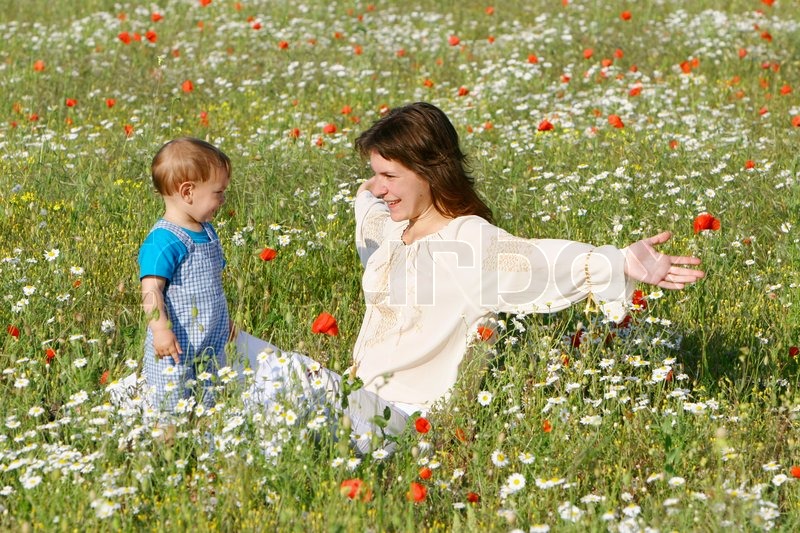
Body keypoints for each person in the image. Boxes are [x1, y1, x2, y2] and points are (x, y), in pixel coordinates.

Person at [238, 101, 704, 452]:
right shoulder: (393, 229)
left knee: (272, 367)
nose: (379, 188)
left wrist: (620, 261)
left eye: (390, 176)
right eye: (375, 174)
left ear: (429, 171)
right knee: (235, 350)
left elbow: (540, 261)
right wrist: (376, 181)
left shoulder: (465, 242)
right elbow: (367, 207)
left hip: (405, 419)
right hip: (358, 399)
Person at [137, 137, 233, 413]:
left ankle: (202, 436)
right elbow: (151, 291)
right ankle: (167, 438)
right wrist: (160, 331)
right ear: (188, 191)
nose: (223, 200)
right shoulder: (163, 240)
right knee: (171, 406)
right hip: (174, 347)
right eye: (218, 192)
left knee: (208, 402)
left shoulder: (207, 231)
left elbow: (212, 287)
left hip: (211, 341)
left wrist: (223, 322)